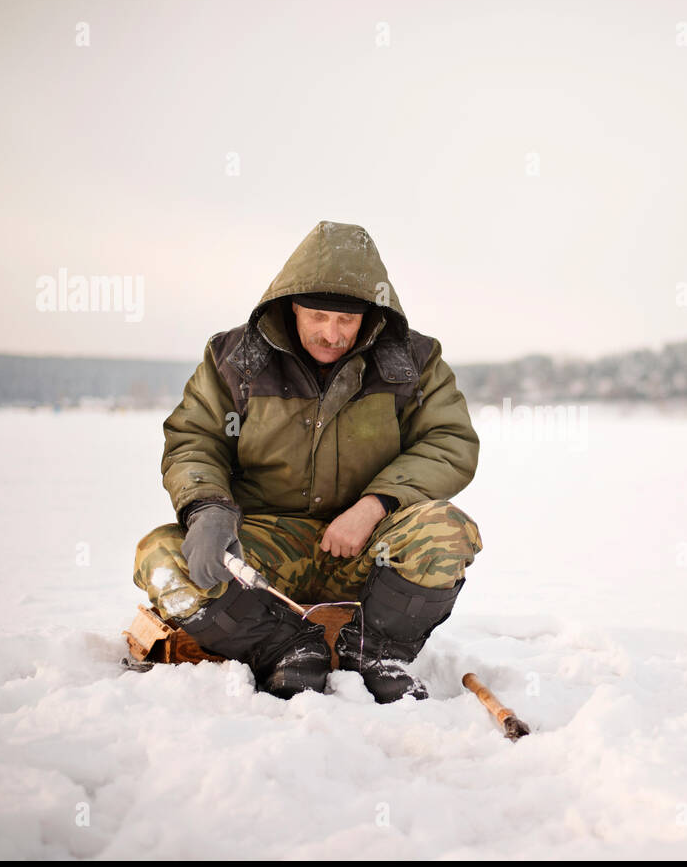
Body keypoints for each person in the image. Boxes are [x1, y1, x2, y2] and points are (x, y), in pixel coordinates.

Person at [132, 220, 482, 703]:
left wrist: (374, 505)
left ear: (371, 315)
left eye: (346, 320)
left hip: (367, 546)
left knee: (446, 529)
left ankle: (376, 653)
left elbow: (449, 440)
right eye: (317, 315)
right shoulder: (235, 359)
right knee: (161, 556)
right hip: (261, 547)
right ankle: (284, 649)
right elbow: (196, 438)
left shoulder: (413, 362)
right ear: (290, 306)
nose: (331, 333)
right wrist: (207, 508)